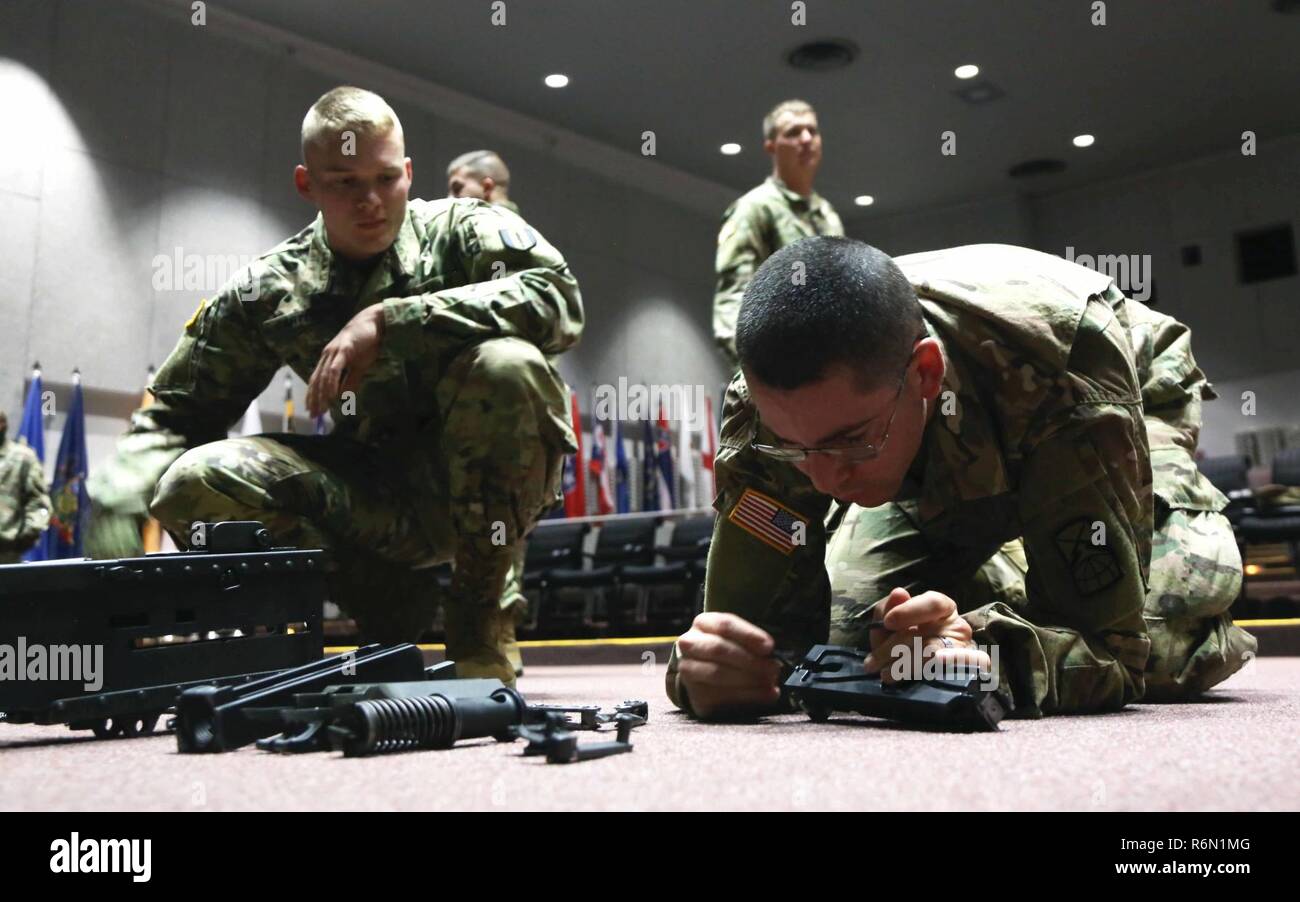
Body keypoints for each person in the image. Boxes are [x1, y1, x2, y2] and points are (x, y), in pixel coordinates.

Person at [86, 86, 584, 685]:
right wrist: (118, 494)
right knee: (191, 484)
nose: (371, 201)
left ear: (408, 172)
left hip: (476, 495)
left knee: (508, 365)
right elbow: (175, 414)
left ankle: (476, 621)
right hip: (371, 498)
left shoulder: (461, 230)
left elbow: (559, 299)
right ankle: (373, 600)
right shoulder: (273, 287)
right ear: (308, 185)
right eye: (345, 182)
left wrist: (392, 320)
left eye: (384, 179)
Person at [669, 237, 1254, 719]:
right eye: (793, 447)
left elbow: (1113, 654)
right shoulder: (767, 411)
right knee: (860, 647)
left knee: (1156, 645)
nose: (822, 480)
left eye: (849, 441)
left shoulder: (1068, 370)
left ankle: (1037, 574)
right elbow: (744, 634)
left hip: (1119, 393)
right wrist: (706, 670)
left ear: (924, 374)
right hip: (931, 439)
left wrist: (993, 653)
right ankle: (998, 579)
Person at [712, 100, 844, 369]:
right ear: (771, 146)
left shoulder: (828, 215)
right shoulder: (755, 208)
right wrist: (757, 380)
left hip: (830, 375)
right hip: (781, 375)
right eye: (793, 132)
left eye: (812, 130)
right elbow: (733, 300)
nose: (806, 139)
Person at [0, 409, 51, 564]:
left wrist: (21, 542)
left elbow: (38, 503)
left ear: (2, 425)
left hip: (5, 553)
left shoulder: (22, 458)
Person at [447, 150, 519, 215]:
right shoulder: (523, 226)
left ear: (487, 187)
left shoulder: (474, 225)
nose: (450, 198)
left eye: (457, 189)